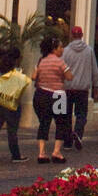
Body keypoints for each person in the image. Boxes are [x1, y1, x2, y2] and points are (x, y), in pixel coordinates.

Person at [0, 46, 30, 163]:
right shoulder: (16, 71)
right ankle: (15, 155)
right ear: (17, 58)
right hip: (10, 104)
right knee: (12, 130)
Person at [31, 35, 72, 163]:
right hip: (58, 95)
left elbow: (33, 77)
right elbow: (69, 77)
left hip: (42, 94)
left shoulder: (41, 61)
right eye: (60, 47)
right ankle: (56, 151)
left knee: (44, 123)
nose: (62, 49)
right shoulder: (60, 62)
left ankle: (42, 153)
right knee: (61, 123)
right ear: (54, 49)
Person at [60, 26, 98, 151]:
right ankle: (78, 133)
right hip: (82, 88)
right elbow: (94, 70)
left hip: (68, 87)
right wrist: (96, 85)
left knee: (66, 114)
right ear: (82, 35)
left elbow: (61, 68)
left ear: (72, 35)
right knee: (81, 114)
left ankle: (67, 141)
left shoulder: (65, 51)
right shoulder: (89, 51)